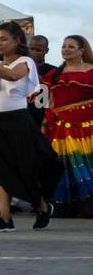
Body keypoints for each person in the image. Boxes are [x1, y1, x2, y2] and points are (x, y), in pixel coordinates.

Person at [0, 21, 60, 232]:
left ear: (17, 40)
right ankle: (5, 218)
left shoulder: (25, 61)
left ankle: (42, 206)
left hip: (18, 120)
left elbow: (13, 76)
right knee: (1, 170)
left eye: (4, 39)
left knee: (25, 168)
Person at [41, 34, 93, 218]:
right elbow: (48, 101)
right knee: (66, 167)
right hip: (63, 128)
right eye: (64, 46)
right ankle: (68, 206)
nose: (66, 49)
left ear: (82, 50)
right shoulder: (54, 75)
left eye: (71, 46)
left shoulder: (91, 71)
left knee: (87, 165)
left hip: (88, 128)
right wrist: (46, 120)